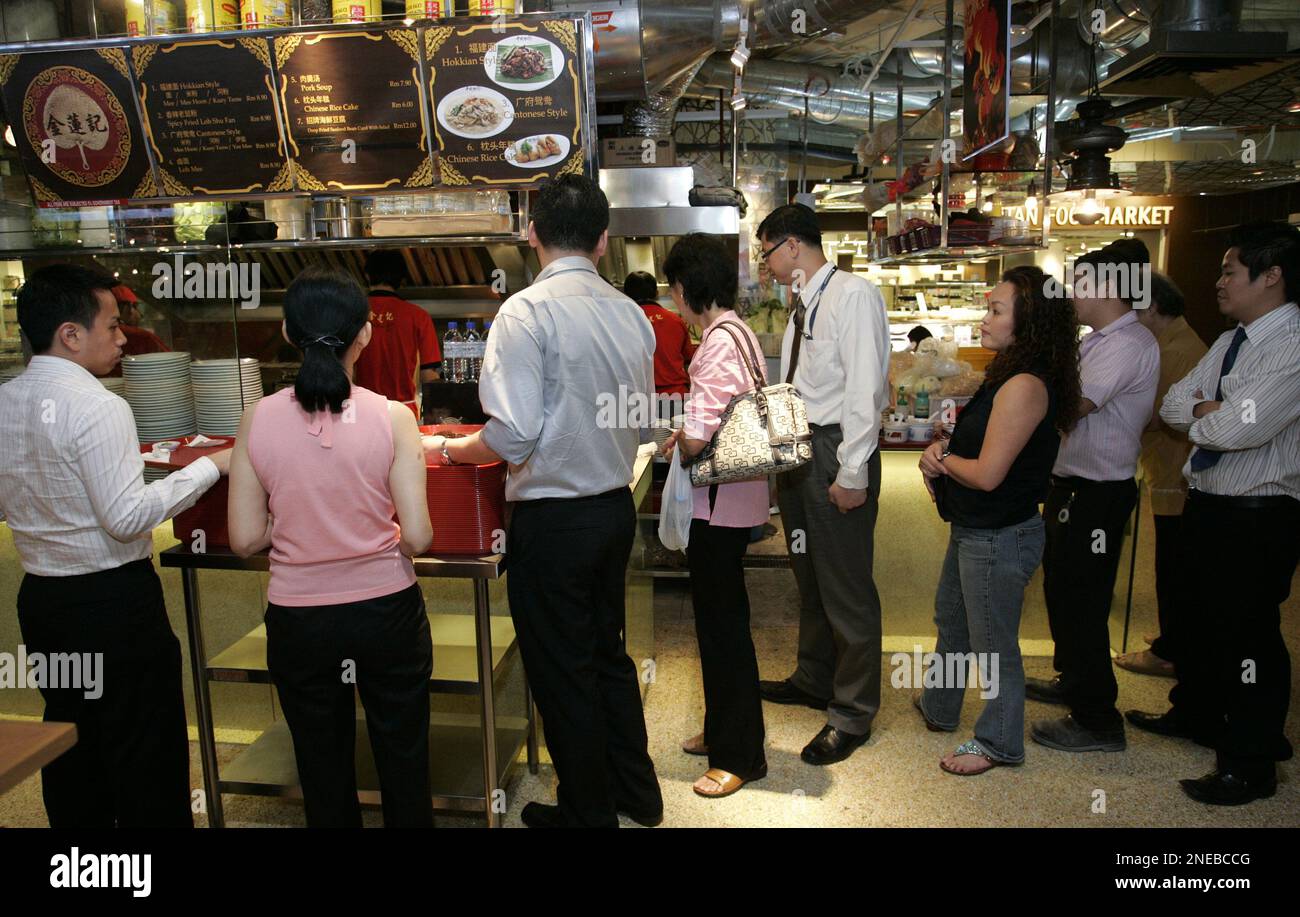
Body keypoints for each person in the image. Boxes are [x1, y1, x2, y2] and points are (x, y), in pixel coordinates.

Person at [425, 174, 662, 827]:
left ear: (531, 234)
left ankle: (587, 812)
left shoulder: (525, 312)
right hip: (614, 509)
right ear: (605, 240)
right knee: (606, 654)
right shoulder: (632, 314)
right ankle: (635, 793)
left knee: (563, 670)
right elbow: (644, 425)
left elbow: (513, 433)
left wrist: (447, 451)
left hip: (553, 521)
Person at [0, 264, 231, 827]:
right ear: (71, 334)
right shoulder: (100, 406)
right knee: (144, 752)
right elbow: (127, 518)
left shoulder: (6, 400)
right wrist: (208, 466)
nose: (124, 337)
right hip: (112, 604)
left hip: (43, 601)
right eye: (111, 325)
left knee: (70, 744)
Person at [227, 266, 435, 828]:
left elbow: (245, 538)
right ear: (364, 334)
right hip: (385, 613)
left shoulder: (257, 418)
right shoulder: (394, 417)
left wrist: (294, 526)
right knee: (404, 753)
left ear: (290, 335)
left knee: (321, 762)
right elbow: (417, 537)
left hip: (300, 620)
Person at [1128, 221, 1300, 806]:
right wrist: (1211, 409)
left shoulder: (1292, 342)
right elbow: (1178, 406)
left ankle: (1251, 759)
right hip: (1209, 501)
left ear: (1271, 275)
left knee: (1247, 635)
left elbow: (1235, 428)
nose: (1218, 282)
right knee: (1198, 618)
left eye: (1230, 271)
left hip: (1259, 511)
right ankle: (1198, 715)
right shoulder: (1232, 340)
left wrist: (1211, 413)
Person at [917, 266, 1081, 774]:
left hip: (999, 536)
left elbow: (988, 474)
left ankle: (999, 740)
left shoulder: (1025, 385)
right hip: (976, 530)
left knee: (992, 644)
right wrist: (943, 452)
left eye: (995, 310)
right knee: (953, 622)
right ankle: (941, 706)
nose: (984, 319)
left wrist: (943, 461)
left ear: (1027, 322)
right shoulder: (1007, 375)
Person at [755, 203, 891, 765]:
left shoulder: (852, 297)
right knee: (809, 576)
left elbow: (866, 391)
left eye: (766, 254)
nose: (765, 266)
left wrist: (853, 472)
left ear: (791, 246)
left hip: (837, 451)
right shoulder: (802, 307)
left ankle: (853, 711)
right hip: (800, 449)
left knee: (845, 586)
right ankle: (814, 678)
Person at [1027, 238, 1159, 753]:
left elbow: (1072, 405)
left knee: (1083, 602)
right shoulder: (1095, 341)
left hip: (1098, 494)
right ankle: (1073, 682)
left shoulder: (1128, 344)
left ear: (1108, 286)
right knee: (1062, 592)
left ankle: (1098, 718)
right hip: (1072, 486)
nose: (1071, 293)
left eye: (1079, 282)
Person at [658, 233, 769, 798]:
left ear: (684, 289)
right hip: (740, 498)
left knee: (722, 630)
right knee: (723, 624)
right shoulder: (741, 332)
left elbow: (701, 439)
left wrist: (678, 440)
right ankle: (723, 729)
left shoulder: (716, 344)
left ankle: (740, 756)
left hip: (718, 507)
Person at [1114, 273, 1207, 678]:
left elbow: (1157, 414)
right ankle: (1178, 637)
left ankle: (1173, 648)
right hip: (1168, 471)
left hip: (1176, 475)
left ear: (1152, 307)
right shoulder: (1174, 343)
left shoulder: (1177, 351)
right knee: (1175, 563)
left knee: (1175, 566)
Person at [351, 249, 441, 415]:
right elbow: (429, 375)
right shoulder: (418, 316)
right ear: (402, 279)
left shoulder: (352, 314)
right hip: (404, 412)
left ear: (367, 276)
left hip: (362, 412)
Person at [623, 269, 696, 415]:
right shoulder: (675, 320)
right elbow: (690, 358)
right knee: (676, 437)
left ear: (626, 295)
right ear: (656, 293)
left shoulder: (621, 323)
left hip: (639, 402)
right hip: (676, 397)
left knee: (648, 439)